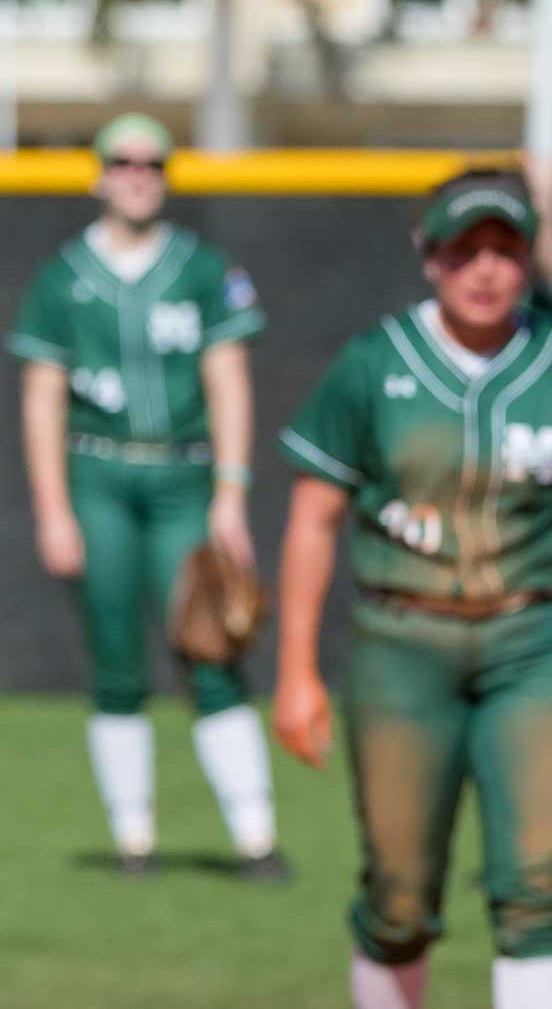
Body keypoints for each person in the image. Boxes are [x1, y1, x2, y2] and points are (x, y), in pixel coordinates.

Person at [273, 168, 552, 1009]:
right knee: (398, 896)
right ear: (428, 256)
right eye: (464, 248)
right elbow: (314, 517)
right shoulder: (375, 364)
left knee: (537, 885)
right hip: (404, 645)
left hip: (528, 644)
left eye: (506, 249)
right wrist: (294, 672)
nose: (486, 270)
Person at [5, 113, 284, 878]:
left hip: (183, 473)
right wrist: (53, 508)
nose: (137, 173)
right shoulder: (63, 276)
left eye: (153, 162)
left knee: (213, 644)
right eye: (123, 161)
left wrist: (231, 493)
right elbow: (42, 397)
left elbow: (229, 380)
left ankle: (256, 837)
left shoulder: (200, 267)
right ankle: (134, 838)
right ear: (98, 173)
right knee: (117, 659)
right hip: (98, 471)